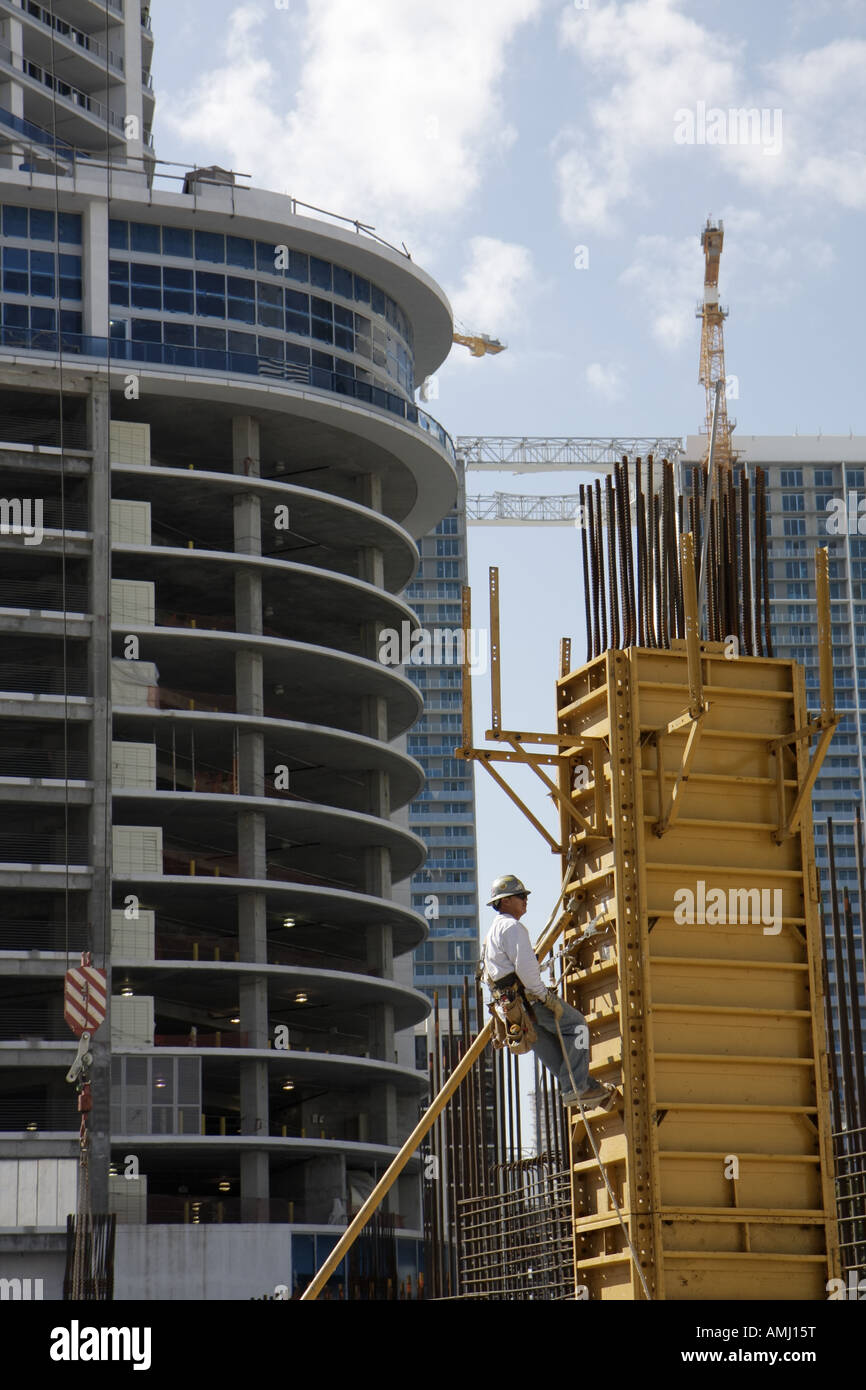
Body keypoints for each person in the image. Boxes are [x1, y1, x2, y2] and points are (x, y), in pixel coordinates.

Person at [480, 874, 618, 1111]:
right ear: (504, 902)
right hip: (528, 1001)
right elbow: (525, 968)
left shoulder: (492, 933)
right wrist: (545, 997)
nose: (525, 900)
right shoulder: (511, 927)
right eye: (520, 896)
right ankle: (577, 1089)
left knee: (547, 1045)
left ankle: (574, 1089)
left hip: (513, 1011)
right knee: (577, 1027)